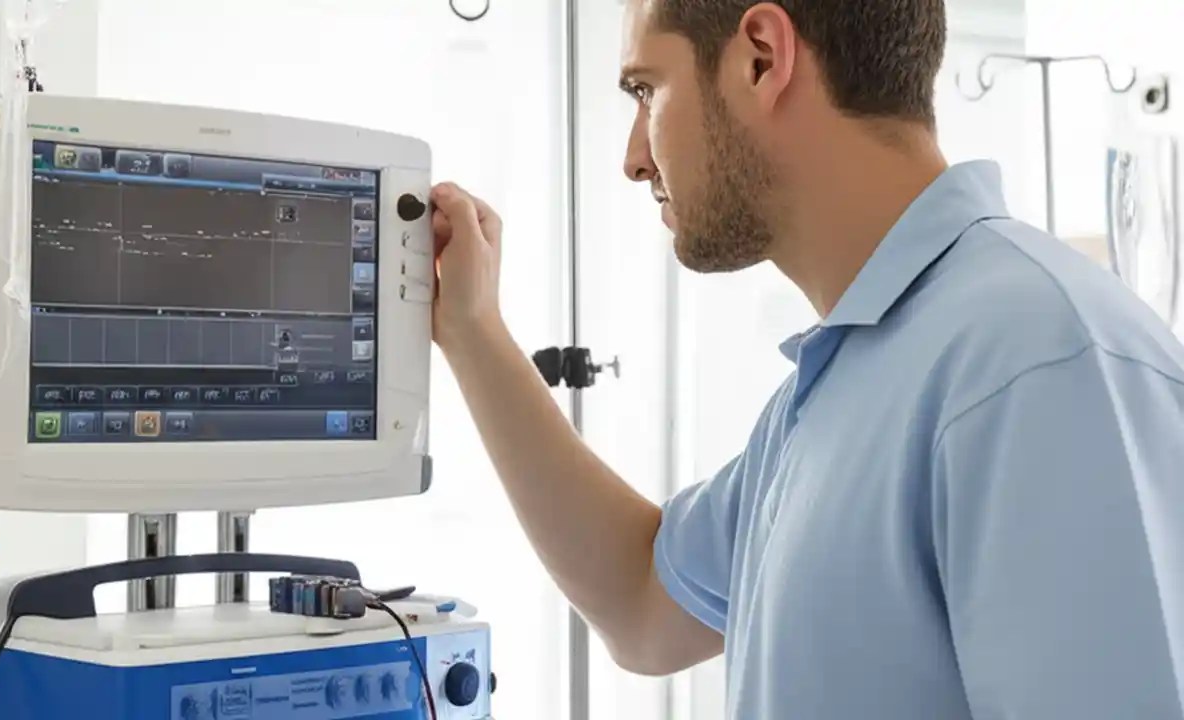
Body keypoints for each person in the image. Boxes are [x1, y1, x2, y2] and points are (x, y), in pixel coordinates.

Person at [427, 0, 1184, 717]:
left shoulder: (1037, 361)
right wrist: (472, 331)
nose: (633, 158)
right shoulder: (842, 384)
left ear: (761, 57)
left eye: (645, 90)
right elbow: (641, 603)